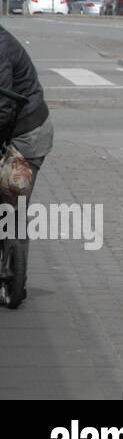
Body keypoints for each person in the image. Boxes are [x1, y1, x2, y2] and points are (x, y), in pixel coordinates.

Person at [0, 25, 54, 307]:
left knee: (15, 194)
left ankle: (15, 275)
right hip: (14, 125)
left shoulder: (0, 47)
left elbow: (3, 108)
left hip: (28, 132)